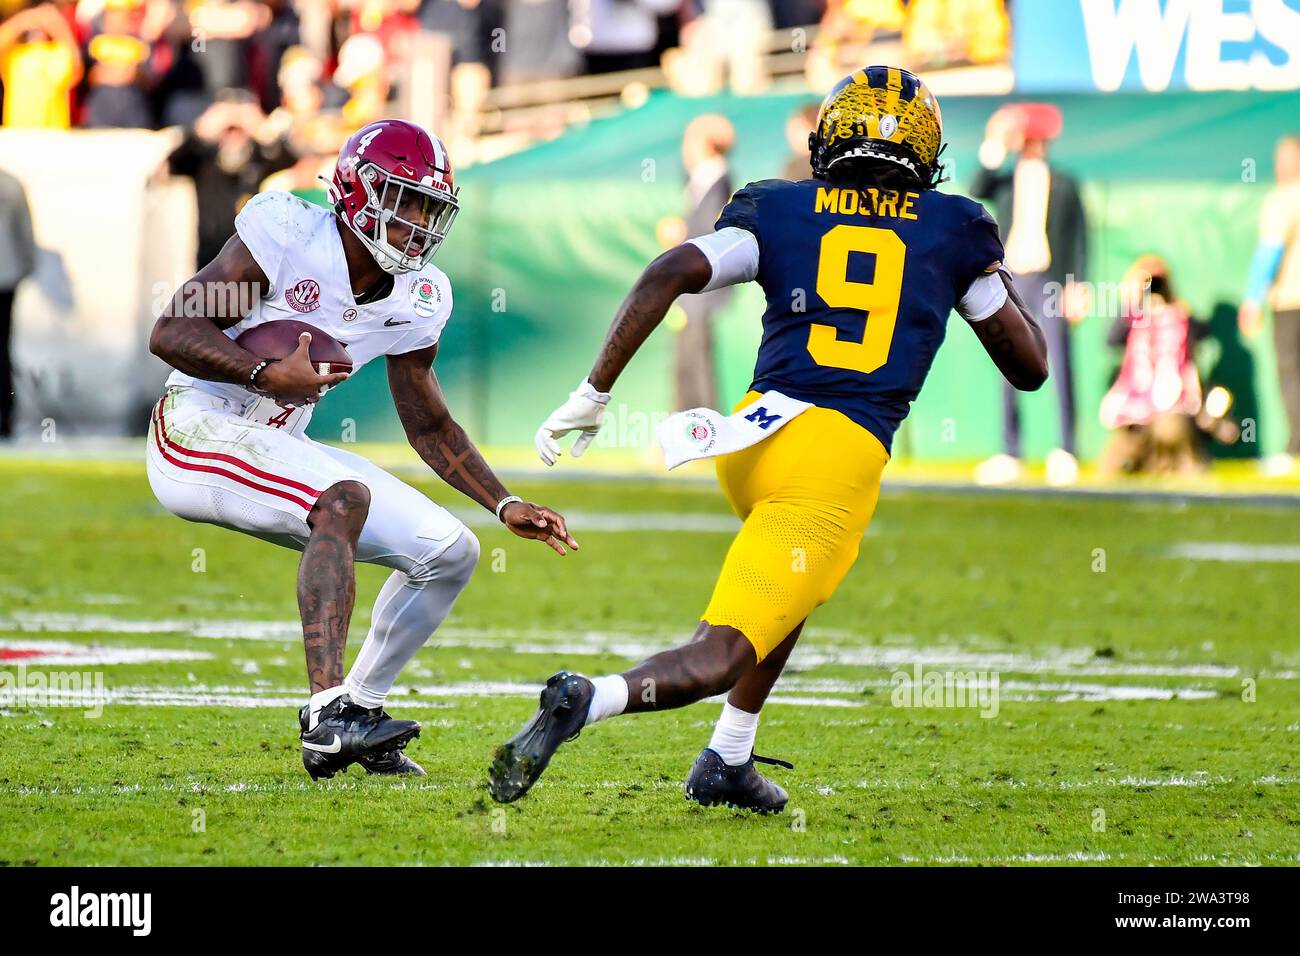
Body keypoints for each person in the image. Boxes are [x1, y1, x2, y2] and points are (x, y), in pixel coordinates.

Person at [489, 66, 1048, 811]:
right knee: (720, 651)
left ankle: (728, 758)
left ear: (826, 136)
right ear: (927, 151)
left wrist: (592, 393)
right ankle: (588, 700)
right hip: (832, 457)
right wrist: (978, 275)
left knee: (794, 587)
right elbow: (1032, 368)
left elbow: (668, 272)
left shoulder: (778, 205)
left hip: (750, 436)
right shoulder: (954, 226)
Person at [146, 119, 577, 779]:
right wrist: (262, 374)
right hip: (196, 423)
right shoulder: (288, 235)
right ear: (356, 192)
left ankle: (363, 717)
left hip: (276, 437)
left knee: (450, 552)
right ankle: (328, 715)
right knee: (343, 498)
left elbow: (428, 423)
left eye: (430, 208)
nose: (418, 222)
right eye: (404, 201)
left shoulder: (419, 295)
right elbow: (171, 327)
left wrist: (504, 501)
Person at [971, 102, 1087, 487]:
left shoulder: (1066, 182)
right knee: (1008, 362)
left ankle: (1066, 449)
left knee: (1060, 364)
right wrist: (995, 143)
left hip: (1051, 279)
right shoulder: (1004, 178)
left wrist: (1078, 284)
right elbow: (977, 188)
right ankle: (1010, 452)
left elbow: (1079, 237)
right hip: (1011, 280)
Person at [1098, 256, 1209, 476]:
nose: (1153, 289)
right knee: (1113, 464)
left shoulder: (1180, 317)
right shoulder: (1134, 318)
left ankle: (1175, 462)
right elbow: (1111, 340)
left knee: (1170, 430)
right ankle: (1152, 463)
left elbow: (1203, 332)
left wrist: (1175, 306)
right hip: (1135, 408)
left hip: (1172, 406)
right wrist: (1133, 297)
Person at [1239, 134, 1300, 477]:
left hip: (1291, 299)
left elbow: (1270, 251)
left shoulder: (1283, 199)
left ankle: (1295, 448)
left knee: (1291, 372)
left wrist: (1252, 298)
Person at [0, 1, 83, 128]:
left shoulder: (57, 54)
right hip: (17, 131)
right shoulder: (14, 55)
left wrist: (57, 25)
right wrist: (21, 21)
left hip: (52, 133)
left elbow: (77, 68)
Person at [0, 165, 36, 439]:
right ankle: (6, 418)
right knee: (3, 348)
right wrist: (24, 268)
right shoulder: (12, 183)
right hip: (7, 276)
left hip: (8, 275)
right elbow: (26, 235)